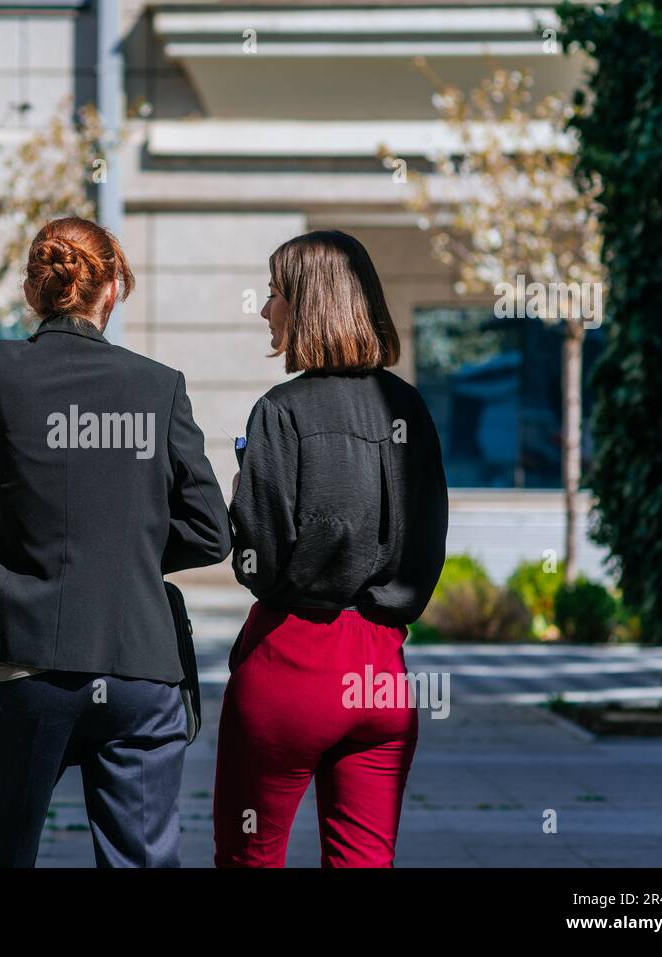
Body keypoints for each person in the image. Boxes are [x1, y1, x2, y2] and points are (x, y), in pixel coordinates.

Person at [0, 216, 230, 868]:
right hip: (140, 664)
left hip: (26, 663)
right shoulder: (159, 386)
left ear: (33, 290)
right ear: (109, 289)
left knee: (5, 855)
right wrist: (125, 553)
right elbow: (210, 531)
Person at [213, 230, 448, 868]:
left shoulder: (280, 412)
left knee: (250, 858)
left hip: (290, 661)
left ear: (308, 305)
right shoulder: (410, 408)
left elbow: (257, 560)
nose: (265, 311)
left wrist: (244, 497)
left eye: (274, 296)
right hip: (380, 672)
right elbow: (428, 544)